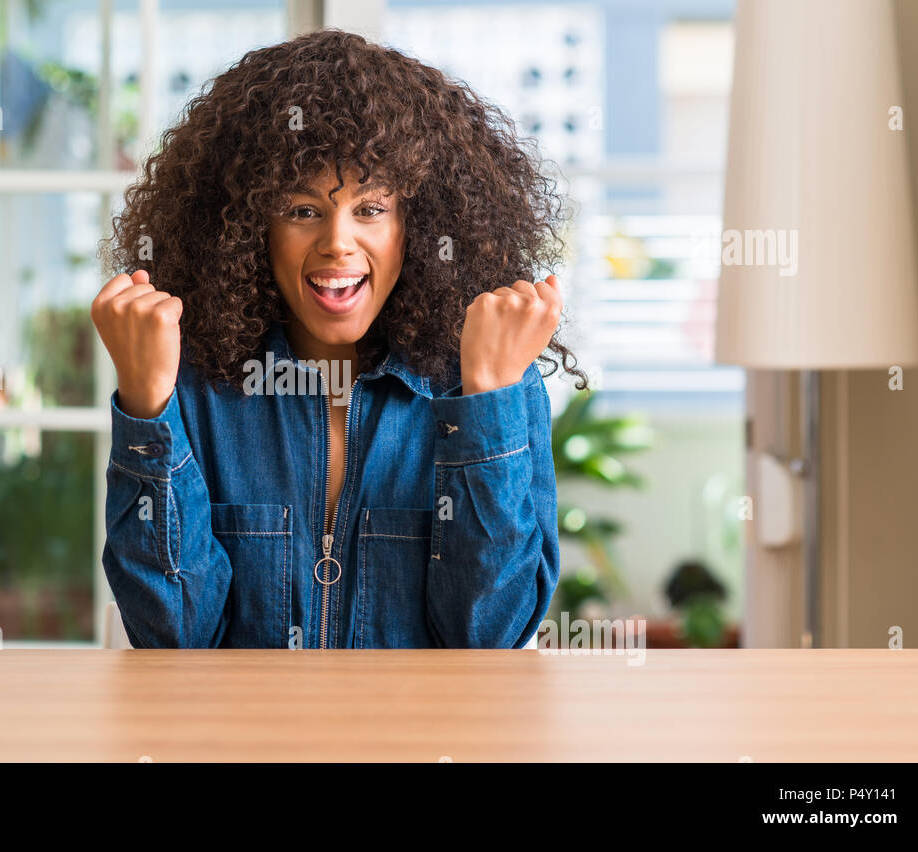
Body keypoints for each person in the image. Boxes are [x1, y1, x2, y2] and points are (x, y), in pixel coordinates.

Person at [91, 28, 586, 648]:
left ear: (416, 224)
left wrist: (487, 400)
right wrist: (147, 409)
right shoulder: (194, 383)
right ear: (250, 228)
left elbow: (489, 639)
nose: (337, 243)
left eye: (370, 209)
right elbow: (174, 640)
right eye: (302, 210)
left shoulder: (495, 381)